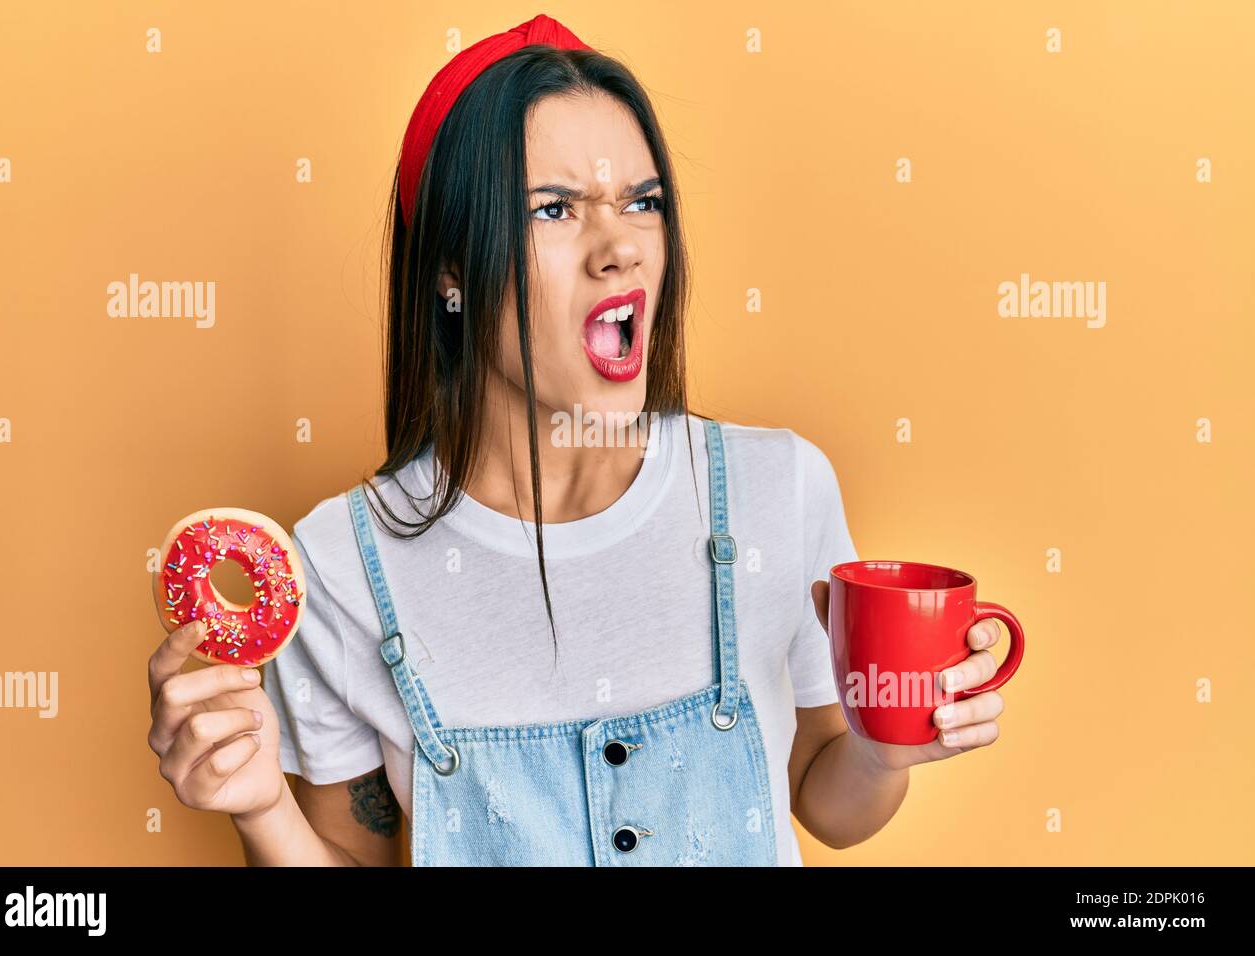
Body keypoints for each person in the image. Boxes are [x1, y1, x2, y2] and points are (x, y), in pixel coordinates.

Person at [146, 13, 1007, 867]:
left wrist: (882, 751)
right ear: (450, 268)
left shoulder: (776, 488)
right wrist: (262, 812)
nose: (619, 248)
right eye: (554, 209)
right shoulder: (338, 566)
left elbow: (826, 797)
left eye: (643, 202)